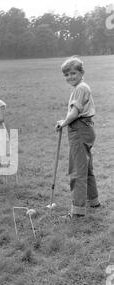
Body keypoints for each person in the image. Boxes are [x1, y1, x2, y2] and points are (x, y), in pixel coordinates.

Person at [56, 56, 101, 219]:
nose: (70, 77)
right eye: (66, 75)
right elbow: (74, 113)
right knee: (87, 169)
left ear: (82, 72)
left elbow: (74, 113)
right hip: (86, 127)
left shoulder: (80, 88)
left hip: (80, 129)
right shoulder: (81, 87)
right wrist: (65, 120)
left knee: (77, 170)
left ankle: (77, 211)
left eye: (73, 73)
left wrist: (64, 124)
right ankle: (93, 201)